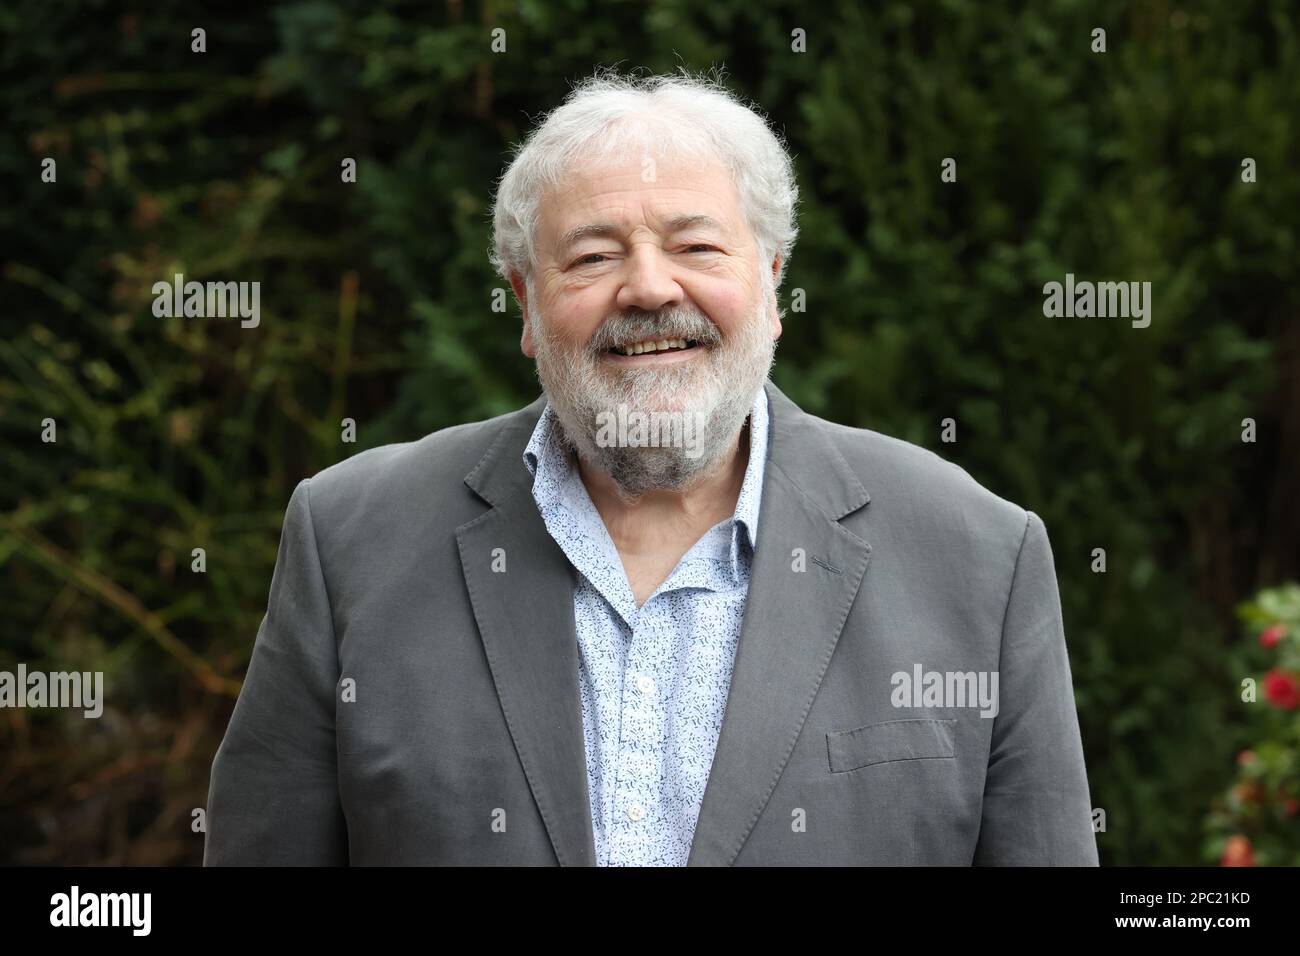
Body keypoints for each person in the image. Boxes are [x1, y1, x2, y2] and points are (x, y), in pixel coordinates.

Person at [204, 68, 1098, 866]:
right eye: (593, 256)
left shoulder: (979, 557)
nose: (649, 288)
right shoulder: (351, 540)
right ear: (524, 305)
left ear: (773, 281)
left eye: (697, 246)